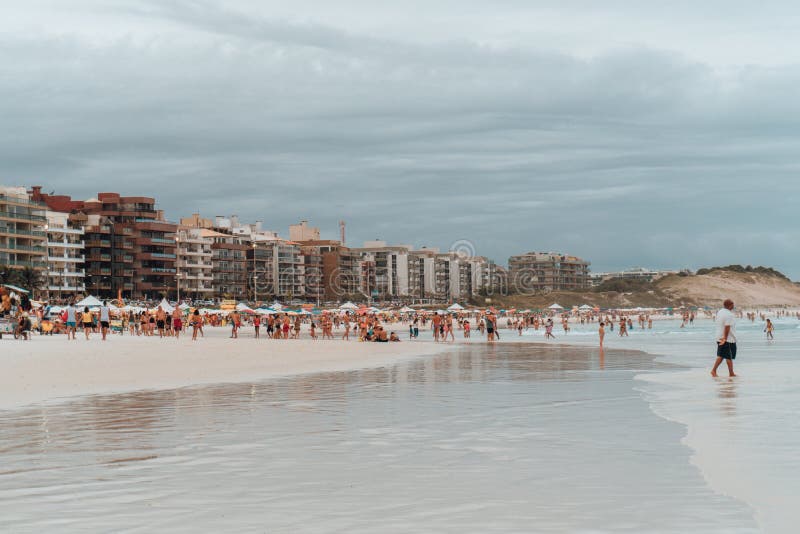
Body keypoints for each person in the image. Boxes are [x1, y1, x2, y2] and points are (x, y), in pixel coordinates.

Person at [711, 299, 737, 378]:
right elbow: (727, 327)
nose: (733, 306)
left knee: (722, 355)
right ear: (730, 305)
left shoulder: (720, 312)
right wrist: (725, 338)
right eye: (733, 304)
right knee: (728, 356)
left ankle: (714, 370)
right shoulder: (729, 315)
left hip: (720, 336)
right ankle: (731, 373)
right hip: (727, 339)